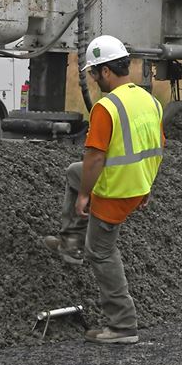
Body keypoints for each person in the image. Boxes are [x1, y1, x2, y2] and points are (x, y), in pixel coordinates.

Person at [43, 34, 164, 345]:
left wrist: (85, 196)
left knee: (101, 251)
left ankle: (122, 325)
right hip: (135, 183)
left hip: (115, 191)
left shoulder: (106, 107)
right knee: (74, 173)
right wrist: (146, 185)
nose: (94, 80)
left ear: (106, 71)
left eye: (94, 73)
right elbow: (156, 147)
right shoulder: (149, 100)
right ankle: (71, 243)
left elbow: (95, 157)